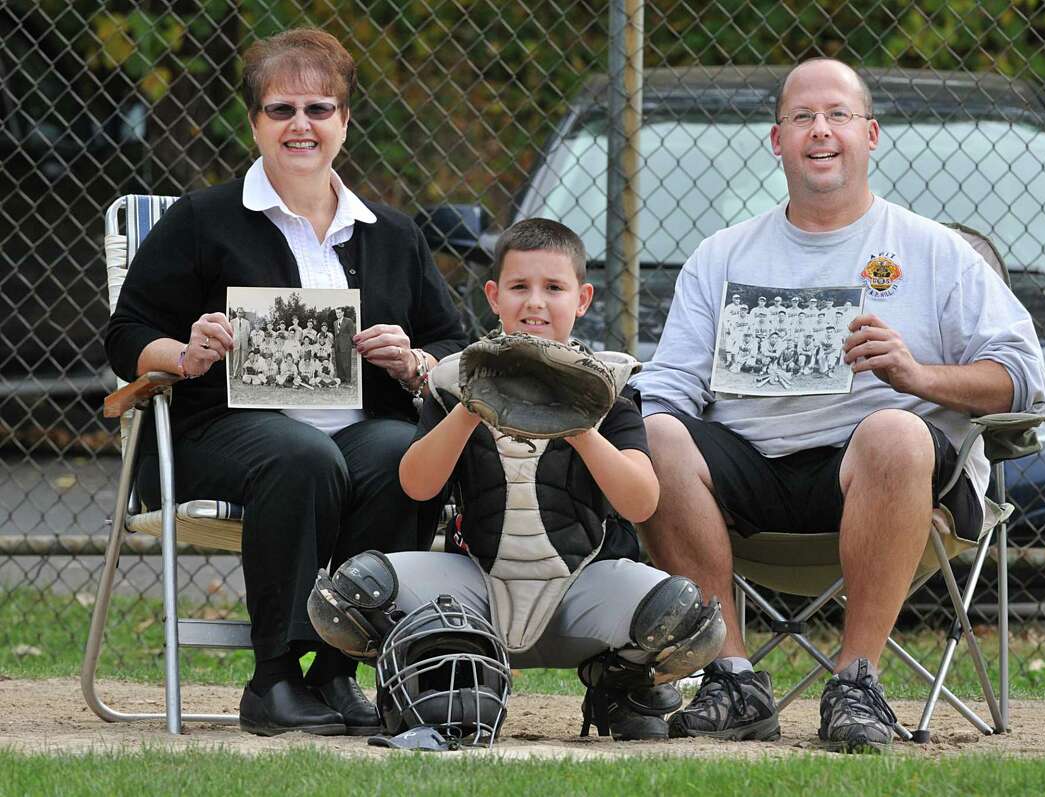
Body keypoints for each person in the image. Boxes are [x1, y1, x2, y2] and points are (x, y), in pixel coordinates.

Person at [631, 58, 1045, 751]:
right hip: (748, 487)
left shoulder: (935, 252)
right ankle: (732, 678)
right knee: (655, 433)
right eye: (802, 118)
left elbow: (1024, 378)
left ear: (871, 134)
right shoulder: (722, 256)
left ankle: (858, 683)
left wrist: (920, 376)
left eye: (838, 116)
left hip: (886, 481)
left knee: (892, 430)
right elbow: (671, 388)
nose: (820, 131)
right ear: (776, 141)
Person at [105, 28, 469, 738]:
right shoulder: (203, 220)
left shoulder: (392, 234)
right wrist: (186, 352)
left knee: (410, 457)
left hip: (360, 434)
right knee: (301, 456)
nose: (301, 124)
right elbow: (126, 334)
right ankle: (273, 679)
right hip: (220, 434)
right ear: (255, 123)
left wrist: (415, 360)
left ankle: (337, 668)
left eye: (319, 108)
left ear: (344, 121)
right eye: (282, 109)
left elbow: (455, 342)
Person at [339, 218, 723, 742]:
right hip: (476, 590)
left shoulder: (608, 385)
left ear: (583, 299)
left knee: (687, 616)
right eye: (519, 287)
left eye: (554, 288)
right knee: (355, 592)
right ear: (494, 296)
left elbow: (642, 502)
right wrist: (472, 408)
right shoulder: (456, 380)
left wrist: (581, 426)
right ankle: (455, 673)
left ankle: (617, 684)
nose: (535, 303)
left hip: (583, 590)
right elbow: (416, 486)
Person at [333, 306, 354, 382]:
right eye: (336, 313)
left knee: (346, 362)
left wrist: (354, 343)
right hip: (337, 346)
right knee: (339, 362)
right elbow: (336, 335)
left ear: (343, 313)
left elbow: (352, 334)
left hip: (346, 345)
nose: (338, 314)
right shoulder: (335, 323)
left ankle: (347, 379)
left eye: (339, 312)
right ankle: (340, 378)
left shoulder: (348, 321)